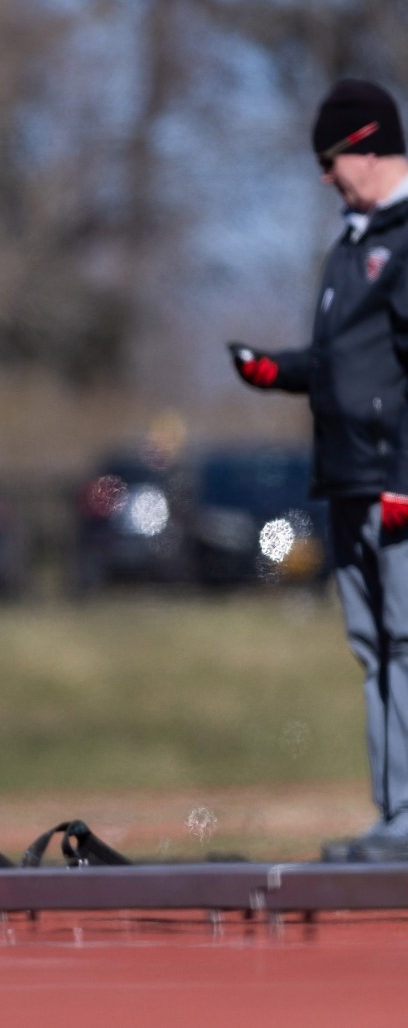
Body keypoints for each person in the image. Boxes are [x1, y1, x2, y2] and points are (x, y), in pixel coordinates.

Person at [232, 79, 408, 863]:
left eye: (330, 158)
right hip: (346, 478)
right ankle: (393, 813)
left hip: (394, 482)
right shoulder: (349, 244)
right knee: (376, 649)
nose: (324, 174)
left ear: (366, 147)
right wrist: (278, 371)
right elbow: (347, 364)